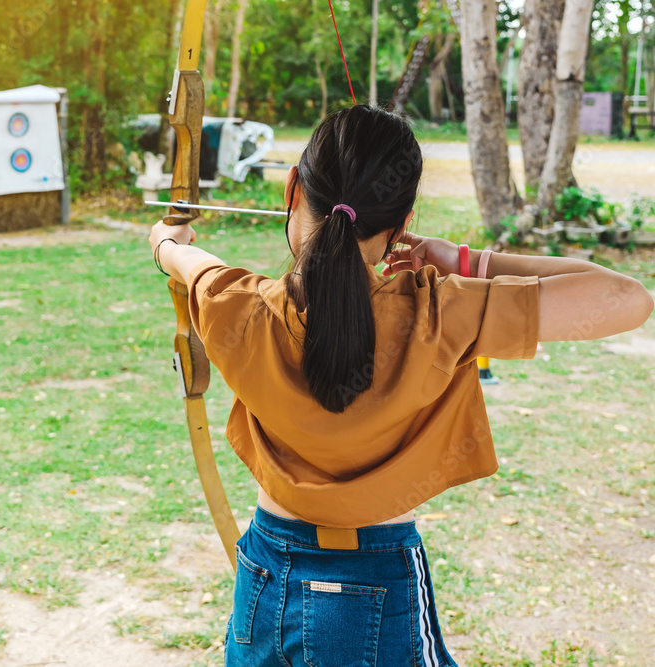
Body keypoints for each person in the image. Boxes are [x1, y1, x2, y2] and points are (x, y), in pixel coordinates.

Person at [147, 105, 653, 667]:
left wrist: (167, 243)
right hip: (375, 578)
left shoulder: (240, 305)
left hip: (265, 574)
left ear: (293, 187)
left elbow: (192, 262)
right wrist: (466, 260)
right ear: (402, 220)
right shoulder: (442, 311)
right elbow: (627, 299)